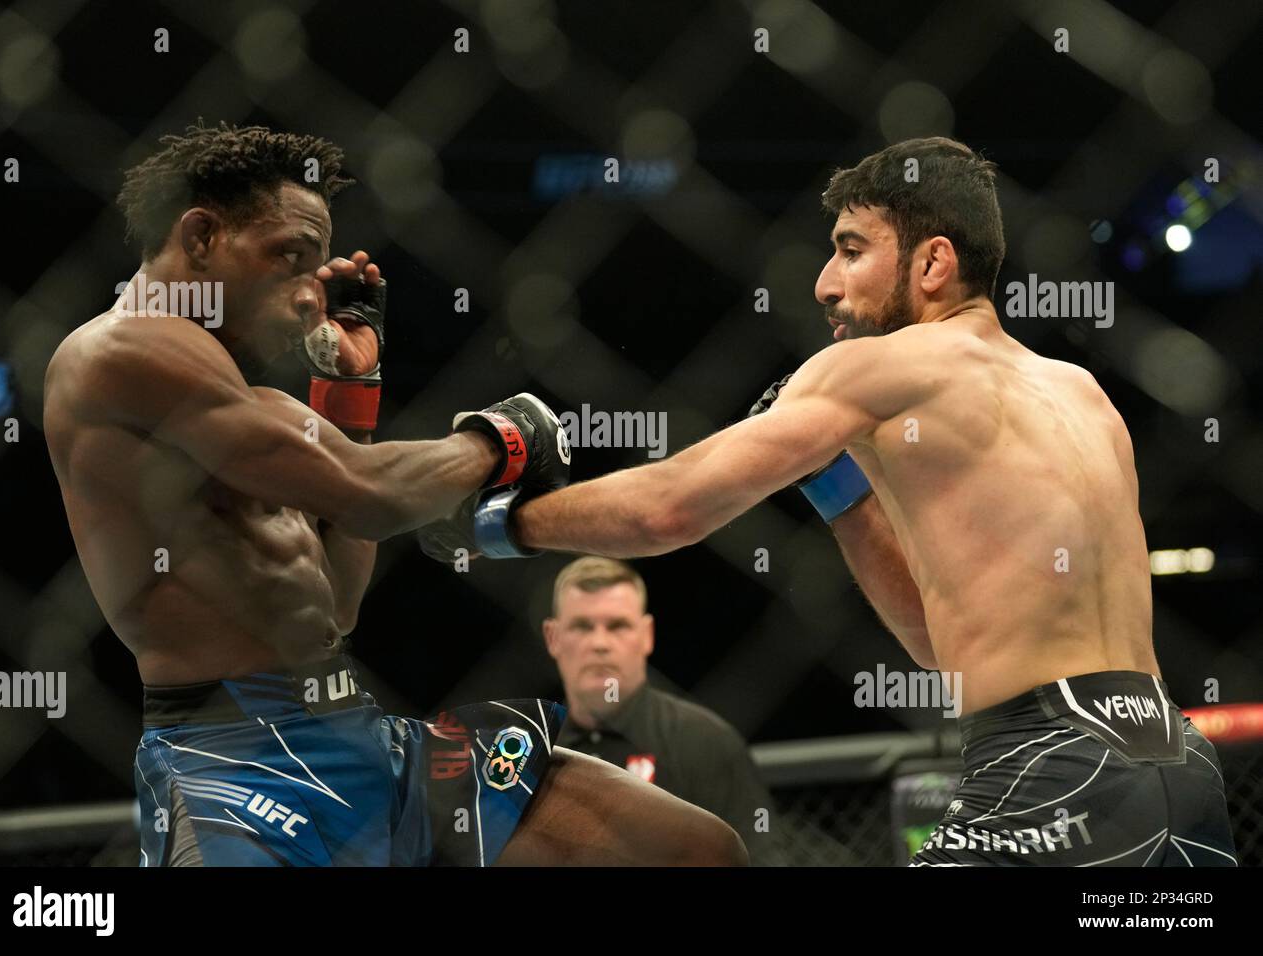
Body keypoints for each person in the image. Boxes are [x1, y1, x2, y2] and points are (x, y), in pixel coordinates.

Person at [419, 136, 1237, 866]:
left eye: (851, 251)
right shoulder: (1085, 394)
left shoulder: (879, 370)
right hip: (1177, 763)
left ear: (932, 263)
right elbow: (936, 642)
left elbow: (668, 508)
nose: (824, 284)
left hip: (1047, 761)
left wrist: (502, 522)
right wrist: (841, 492)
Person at [43, 121, 745, 866]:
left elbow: (338, 600)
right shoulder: (120, 351)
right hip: (229, 760)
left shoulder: (252, 407)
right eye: (290, 257)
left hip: (359, 733)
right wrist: (500, 440)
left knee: (692, 850)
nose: (313, 297)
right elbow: (367, 495)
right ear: (202, 234)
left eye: (319, 269)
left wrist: (349, 391)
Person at [545, 557, 778, 863]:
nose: (599, 643)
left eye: (618, 626)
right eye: (582, 626)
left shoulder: (704, 741)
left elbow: (758, 859)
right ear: (553, 637)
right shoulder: (534, 748)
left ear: (646, 635)